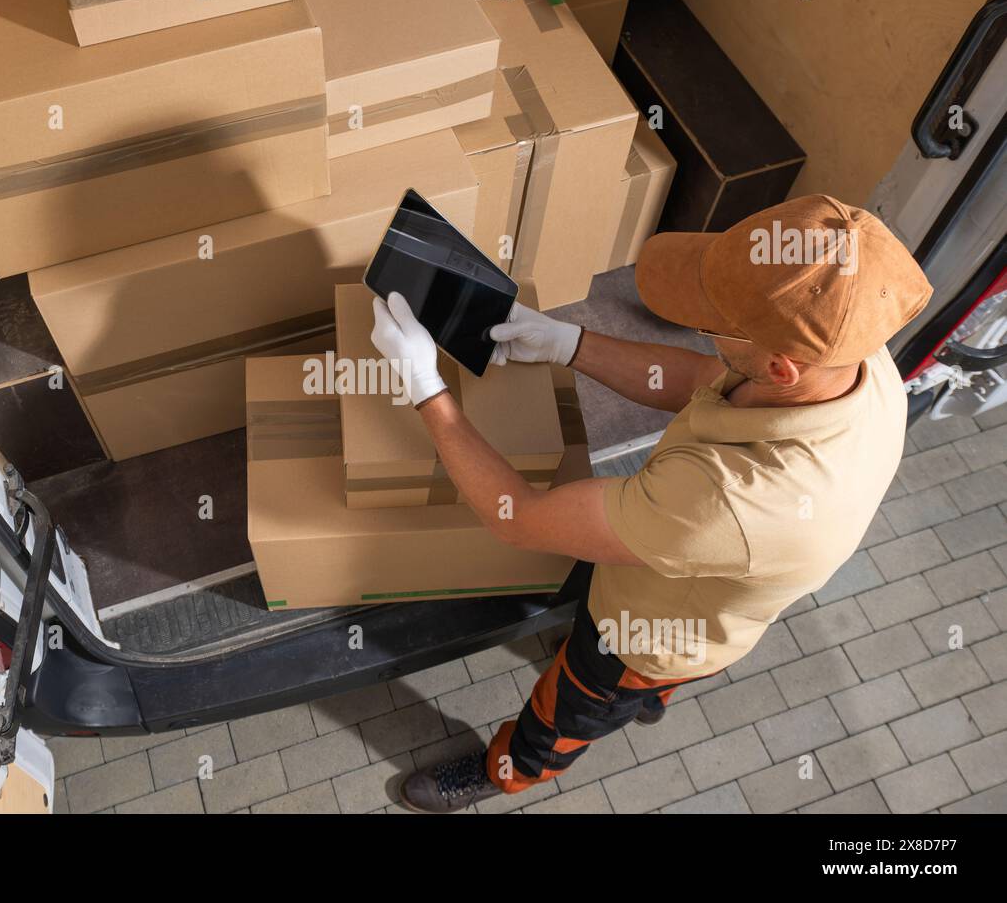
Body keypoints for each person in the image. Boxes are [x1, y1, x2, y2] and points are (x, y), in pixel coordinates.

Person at [367, 195, 933, 813]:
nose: (702, 327)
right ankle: (653, 700)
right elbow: (702, 383)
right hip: (707, 597)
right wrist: (567, 343)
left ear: (779, 367)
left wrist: (426, 389)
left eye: (714, 323)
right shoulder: (856, 353)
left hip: (637, 637)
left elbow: (520, 519)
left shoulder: (728, 503)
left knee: (569, 711)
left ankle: (507, 772)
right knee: (658, 669)